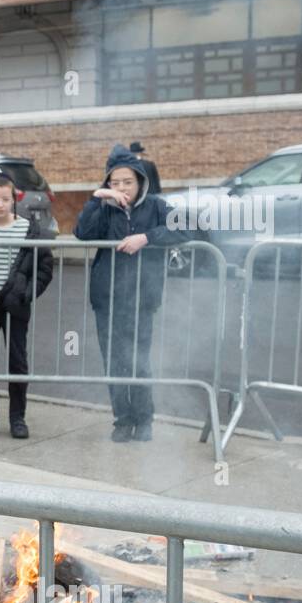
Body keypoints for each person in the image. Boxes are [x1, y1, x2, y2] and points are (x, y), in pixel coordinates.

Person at [74, 144, 188, 442]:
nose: (122, 187)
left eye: (128, 181)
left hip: (142, 296)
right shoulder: (103, 207)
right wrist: (98, 200)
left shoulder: (156, 206)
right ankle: (122, 420)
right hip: (107, 297)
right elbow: (83, 233)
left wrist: (146, 237)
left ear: (140, 181)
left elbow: (190, 228)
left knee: (139, 360)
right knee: (113, 360)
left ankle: (144, 418)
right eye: (115, 182)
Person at [0, 173, 54, 440]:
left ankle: (18, 418)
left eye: (5, 199)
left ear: (14, 199)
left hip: (15, 303)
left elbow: (45, 267)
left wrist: (28, 292)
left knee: (18, 362)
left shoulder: (29, 229)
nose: (0, 205)